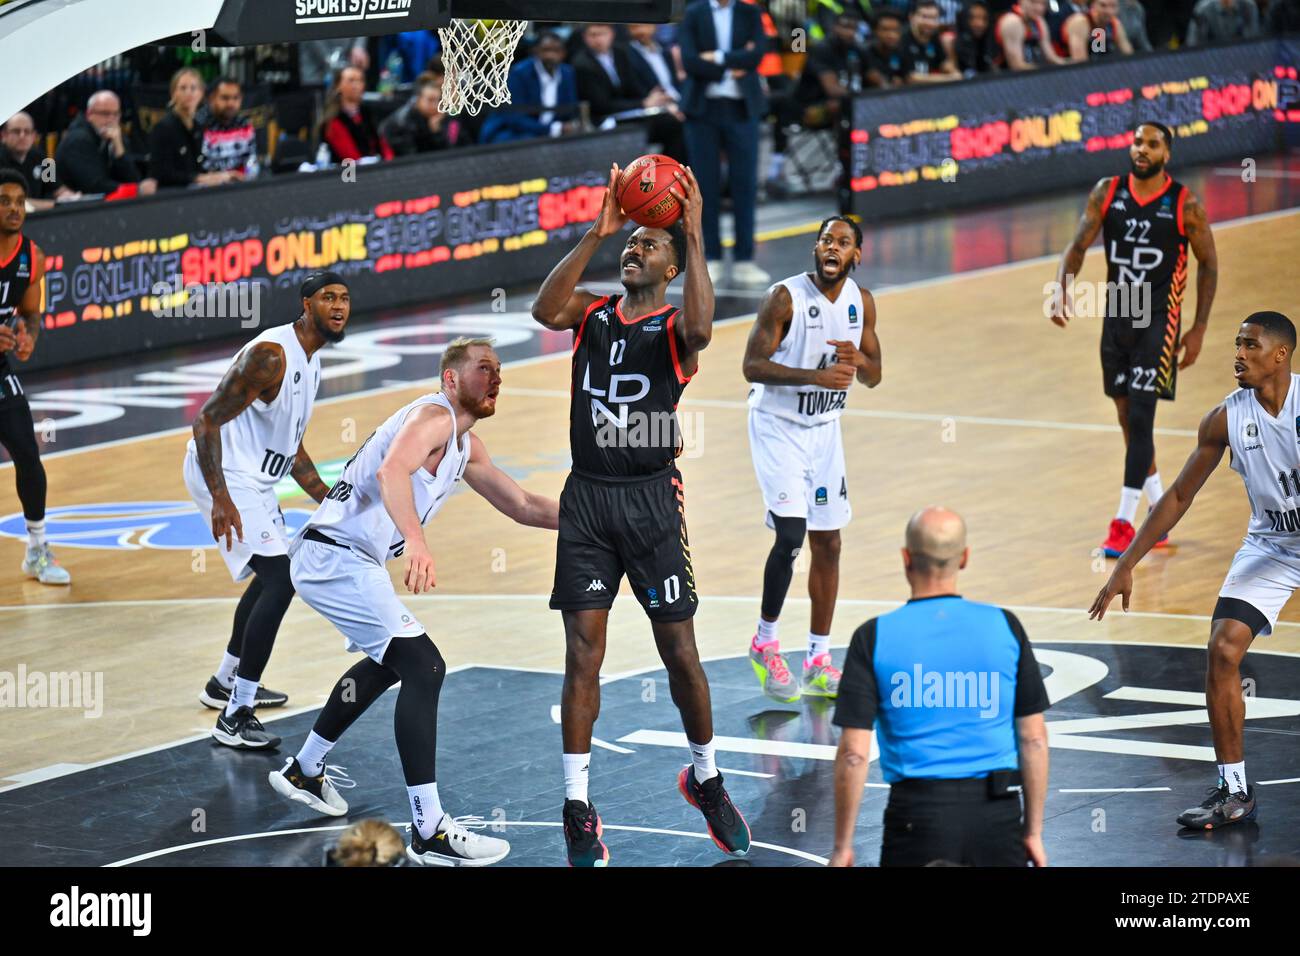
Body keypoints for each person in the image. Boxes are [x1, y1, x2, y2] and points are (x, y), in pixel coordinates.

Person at [531, 164, 750, 866]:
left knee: (679, 651)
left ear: (671, 264)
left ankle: (707, 780)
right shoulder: (592, 312)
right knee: (582, 654)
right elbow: (543, 309)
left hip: (652, 500)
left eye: (648, 246)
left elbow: (707, 327)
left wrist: (690, 231)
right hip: (589, 499)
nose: (635, 250)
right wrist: (596, 232)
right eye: (633, 243)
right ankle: (576, 806)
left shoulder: (674, 328)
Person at [272, 337, 557, 866]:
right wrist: (417, 541)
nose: (495, 378)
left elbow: (523, 505)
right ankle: (428, 828)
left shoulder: (465, 445)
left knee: (393, 663)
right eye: (483, 369)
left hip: (341, 557)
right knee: (424, 666)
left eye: (499, 371)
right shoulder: (435, 416)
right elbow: (390, 471)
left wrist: (604, 521)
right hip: (336, 555)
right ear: (451, 379)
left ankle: (305, 768)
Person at [1090, 311, 1300, 829]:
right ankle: (1234, 790)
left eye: (1250, 345)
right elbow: (1180, 494)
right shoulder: (1225, 419)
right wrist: (1128, 563)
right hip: (1273, 544)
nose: (1238, 354)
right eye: (1237, 344)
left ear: (1281, 354)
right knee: (1222, 648)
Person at [830, 507, 1051, 867]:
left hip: (917, 819)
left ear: (906, 558)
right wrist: (1033, 833)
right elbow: (1034, 739)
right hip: (997, 819)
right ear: (964, 558)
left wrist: (842, 847)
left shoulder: (873, 636)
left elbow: (854, 753)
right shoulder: (1004, 626)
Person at [185, 273, 347, 744]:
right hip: (222, 472)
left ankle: (224, 682)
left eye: (344, 299)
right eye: (328, 298)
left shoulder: (310, 361)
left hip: (252, 480)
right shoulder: (271, 355)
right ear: (306, 304)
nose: (338, 306)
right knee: (281, 578)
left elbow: (290, 448)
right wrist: (220, 497)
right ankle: (236, 714)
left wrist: (330, 495)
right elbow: (206, 420)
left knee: (274, 575)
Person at [1050, 122, 1218, 558]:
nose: (1142, 149)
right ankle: (1162, 513)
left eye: (1152, 144)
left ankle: (1125, 524)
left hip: (1158, 325)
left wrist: (1197, 328)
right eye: (1138, 142)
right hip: (1118, 318)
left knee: (1141, 420)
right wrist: (1062, 287)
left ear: (1167, 154)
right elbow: (1077, 245)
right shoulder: (1108, 191)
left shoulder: (1185, 204)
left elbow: (1209, 264)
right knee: (1127, 420)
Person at [741, 216, 882, 702]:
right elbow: (751, 366)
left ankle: (819, 659)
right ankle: (765, 641)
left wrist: (858, 361)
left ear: (855, 255)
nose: (831, 247)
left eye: (842, 242)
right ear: (815, 249)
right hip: (777, 426)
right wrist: (812, 377)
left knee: (830, 543)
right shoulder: (785, 298)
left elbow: (875, 374)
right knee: (790, 534)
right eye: (825, 239)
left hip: (824, 432)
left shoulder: (861, 302)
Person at [0, 170, 70, 586]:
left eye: (18, 201)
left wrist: (28, 338)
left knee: (28, 453)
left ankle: (37, 548)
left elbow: (30, 314)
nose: (13, 208)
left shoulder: (31, 255)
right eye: (4, 200)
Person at [678, 0, 771, 286]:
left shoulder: (750, 12)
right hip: (702, 110)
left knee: (744, 184)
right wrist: (733, 62)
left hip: (741, 109)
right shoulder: (693, 13)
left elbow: (756, 56)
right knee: (704, 186)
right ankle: (711, 257)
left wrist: (716, 58)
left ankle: (745, 258)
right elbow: (691, 60)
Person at [572, 23, 686, 161]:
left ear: (611, 34)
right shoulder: (582, 63)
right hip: (606, 119)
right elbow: (601, 105)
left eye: (602, 34)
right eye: (593, 35)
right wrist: (643, 103)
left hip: (629, 113)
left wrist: (650, 98)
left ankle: (668, 171)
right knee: (665, 125)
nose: (598, 39)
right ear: (585, 37)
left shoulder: (620, 53)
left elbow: (632, 85)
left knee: (673, 123)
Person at [478, 32, 581, 144]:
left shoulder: (567, 72)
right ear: (535, 52)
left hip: (550, 133)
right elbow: (514, 118)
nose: (550, 56)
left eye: (556, 51)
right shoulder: (518, 73)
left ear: (563, 53)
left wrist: (570, 126)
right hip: (513, 131)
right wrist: (554, 128)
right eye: (546, 50)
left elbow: (571, 108)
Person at [149, 68, 242, 189]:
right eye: (183, 88)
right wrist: (202, 178)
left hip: (196, 192)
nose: (189, 93)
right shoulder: (163, 128)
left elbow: (202, 166)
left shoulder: (199, 126)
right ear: (173, 93)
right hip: (171, 195)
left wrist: (222, 175)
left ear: (201, 93)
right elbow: (162, 174)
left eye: (193, 88)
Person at [54, 91, 156, 198]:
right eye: (105, 114)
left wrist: (118, 147)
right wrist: (136, 189)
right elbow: (94, 185)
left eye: (116, 114)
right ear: (89, 114)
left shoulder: (116, 136)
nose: (111, 119)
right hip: (74, 206)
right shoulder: (78, 140)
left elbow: (132, 179)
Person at [795, 12, 867, 128]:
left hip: (848, 101)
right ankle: (846, 144)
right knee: (840, 105)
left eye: (852, 28)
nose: (847, 32)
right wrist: (864, 98)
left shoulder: (857, 49)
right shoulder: (821, 49)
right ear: (834, 27)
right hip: (812, 105)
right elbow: (832, 89)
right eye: (844, 27)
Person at [1, 112, 79, 209]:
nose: (22, 136)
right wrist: (54, 204)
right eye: (16, 131)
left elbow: (59, 189)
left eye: (27, 131)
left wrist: (74, 198)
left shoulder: (42, 157)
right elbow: (14, 202)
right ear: (4, 135)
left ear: (34, 136)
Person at [319, 66, 393, 164]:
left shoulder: (367, 113)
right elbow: (351, 157)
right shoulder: (334, 121)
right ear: (338, 86)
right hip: (349, 175)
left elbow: (383, 145)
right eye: (351, 80)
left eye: (360, 80)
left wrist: (390, 162)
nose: (357, 85)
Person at [379, 72, 465, 156]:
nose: (436, 106)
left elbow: (450, 152)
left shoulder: (439, 117)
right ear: (418, 99)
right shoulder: (403, 122)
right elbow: (415, 158)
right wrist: (434, 133)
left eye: (438, 100)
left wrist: (436, 132)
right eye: (430, 100)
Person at [201, 77, 257, 177]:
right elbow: (200, 169)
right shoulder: (200, 126)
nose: (231, 103)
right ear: (211, 99)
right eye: (225, 98)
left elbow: (251, 161)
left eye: (236, 98)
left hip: (242, 186)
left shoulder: (245, 125)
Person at [993, 0, 1067, 68]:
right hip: (1008, 79)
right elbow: (1016, 66)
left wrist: (1072, 65)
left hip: (1033, 73)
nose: (1039, 8)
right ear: (1021, 1)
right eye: (1033, 2)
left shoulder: (1039, 21)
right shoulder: (1012, 22)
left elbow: (1051, 58)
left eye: (1043, 4)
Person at [904, 0, 962, 82]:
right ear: (911, 17)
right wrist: (949, 78)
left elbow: (944, 63)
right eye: (925, 17)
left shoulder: (934, 37)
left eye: (934, 18)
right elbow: (910, 78)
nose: (930, 23)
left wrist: (953, 71)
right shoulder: (903, 39)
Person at [1062, 0, 1134, 59]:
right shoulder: (1080, 22)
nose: (1109, 11)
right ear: (1092, 6)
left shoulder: (1115, 24)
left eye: (1113, 6)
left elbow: (1129, 55)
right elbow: (1080, 62)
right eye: (1103, 5)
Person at [863, 11, 912, 88]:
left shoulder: (902, 51)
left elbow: (907, 78)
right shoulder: (864, 52)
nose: (892, 35)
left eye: (896, 30)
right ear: (875, 31)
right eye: (885, 30)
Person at [954, 1, 999, 75]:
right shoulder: (954, 43)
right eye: (974, 18)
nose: (980, 24)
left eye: (984, 19)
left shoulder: (990, 41)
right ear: (965, 20)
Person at [1186, 0, 1260, 44]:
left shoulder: (1249, 7)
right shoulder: (1202, 10)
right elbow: (1194, 45)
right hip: (1212, 61)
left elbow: (1253, 43)